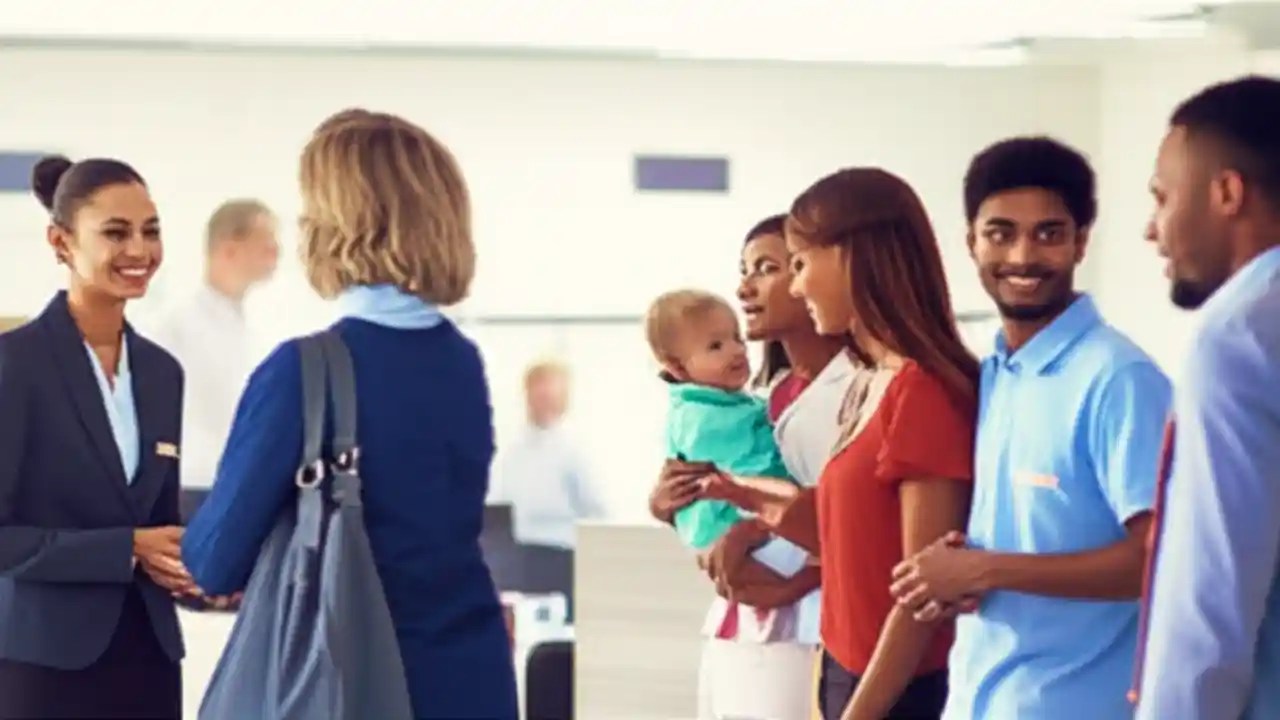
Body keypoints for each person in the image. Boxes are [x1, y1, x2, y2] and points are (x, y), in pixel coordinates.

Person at [181, 109, 519, 719]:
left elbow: (214, 560)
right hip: (473, 677)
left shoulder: (302, 372)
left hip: (356, 685)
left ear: (333, 225)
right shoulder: (462, 362)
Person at [887, 137, 1171, 720]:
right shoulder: (997, 371)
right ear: (971, 241)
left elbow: (1158, 558)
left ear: (1080, 242)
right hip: (978, 697)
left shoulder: (1120, 378)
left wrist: (983, 568)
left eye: (1048, 233)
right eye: (1000, 233)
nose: (1023, 256)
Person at [699, 169, 979, 720]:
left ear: (854, 256)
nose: (798, 287)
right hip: (841, 673)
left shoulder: (920, 391)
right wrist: (737, 494)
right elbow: (843, 542)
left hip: (895, 694)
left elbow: (919, 598)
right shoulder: (869, 383)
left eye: (800, 264)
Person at [0, 155, 191, 718]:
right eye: (115, 232)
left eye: (150, 231)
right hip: (44, 668)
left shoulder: (162, 373)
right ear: (61, 243)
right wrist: (126, 547)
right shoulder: (14, 368)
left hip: (151, 660)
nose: (140, 251)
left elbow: (158, 521)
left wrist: (200, 570)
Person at [649, 214, 851, 720]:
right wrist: (668, 505)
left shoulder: (855, 387)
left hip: (807, 622)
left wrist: (750, 524)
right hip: (743, 619)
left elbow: (846, 510)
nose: (744, 286)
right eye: (744, 269)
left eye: (768, 268)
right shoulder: (767, 396)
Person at [1133, 76, 1280, 720]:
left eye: (1163, 198)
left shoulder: (1241, 337)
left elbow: (1211, 591)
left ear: (1227, 192)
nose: (1151, 228)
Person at [152, 199, 278, 499]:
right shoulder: (175, 326)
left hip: (236, 484)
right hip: (195, 487)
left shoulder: (251, 327)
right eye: (266, 242)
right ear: (229, 250)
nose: (276, 252)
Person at [488, 358, 603, 619]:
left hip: (562, 556)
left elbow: (597, 509)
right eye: (537, 391)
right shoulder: (514, 448)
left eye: (550, 392)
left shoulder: (575, 448)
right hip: (520, 557)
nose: (542, 398)